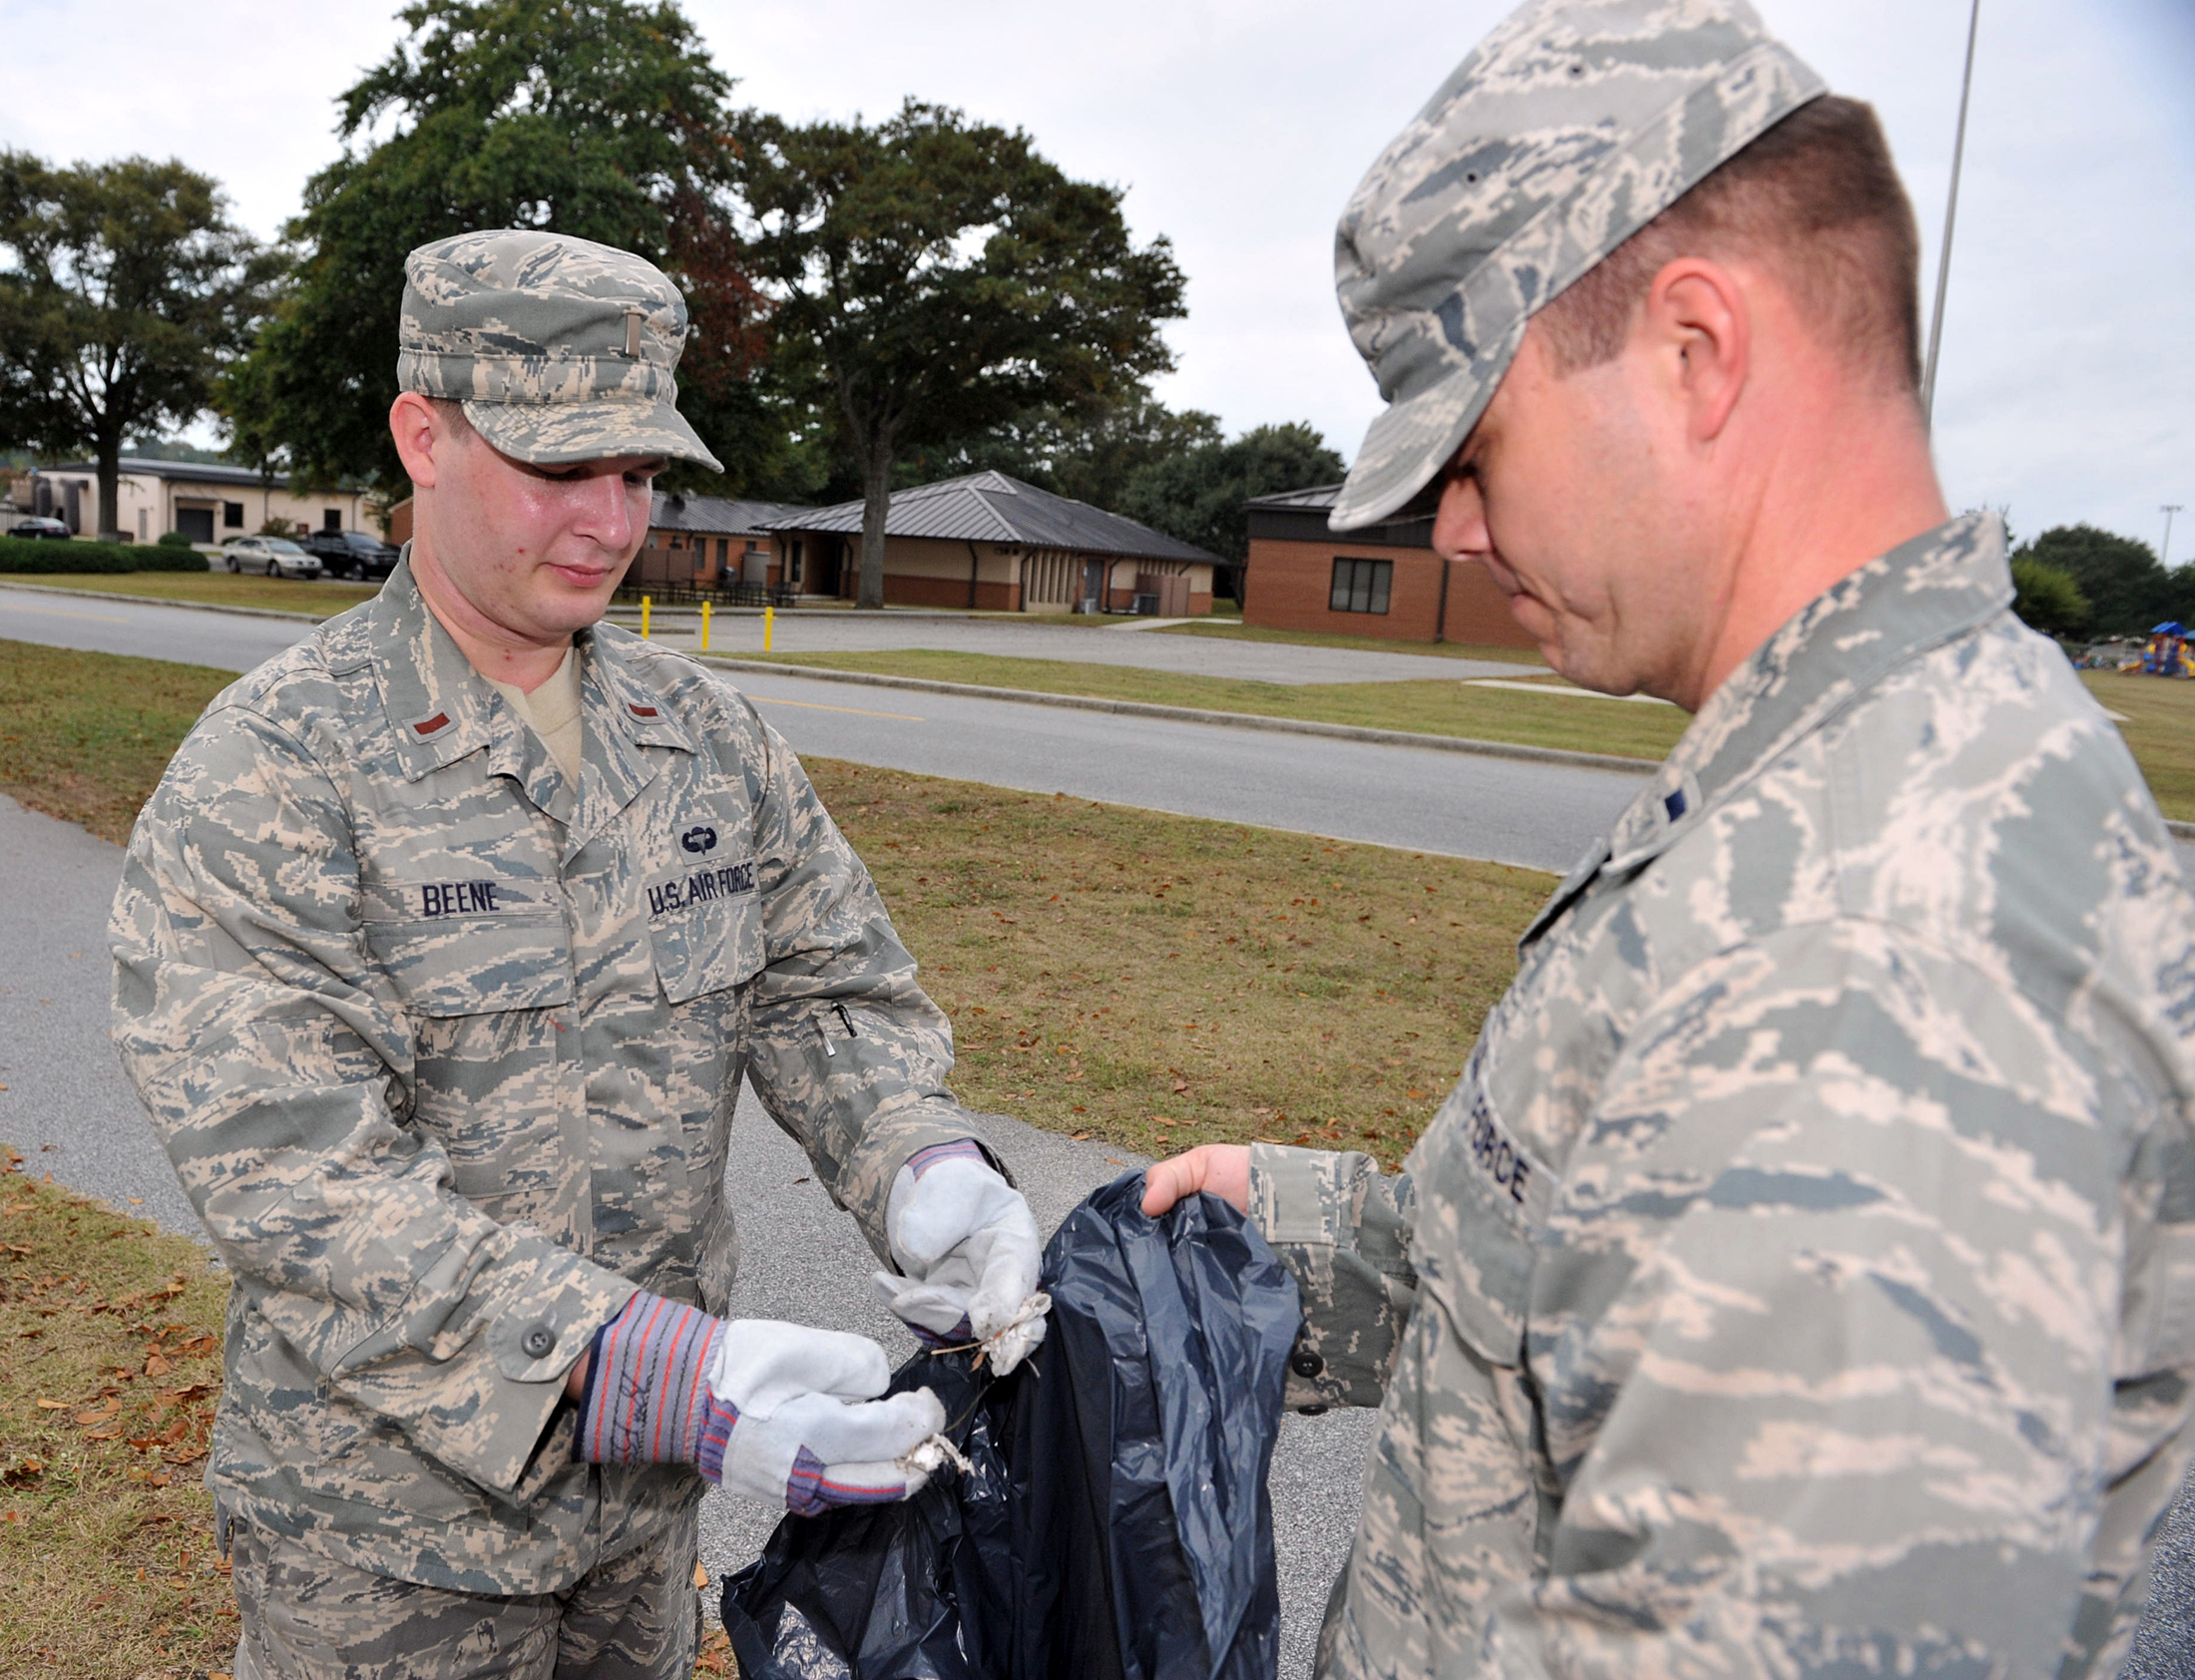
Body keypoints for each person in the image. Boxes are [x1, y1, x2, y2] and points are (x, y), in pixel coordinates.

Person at [1145, 2, 2195, 1674]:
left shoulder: (1884, 947)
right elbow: (1572, 1266)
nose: (1465, 533)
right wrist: (1285, 1224)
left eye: (1473, 455)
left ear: (1697, 351)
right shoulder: (1804, 781)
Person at [109, 228, 1046, 1680]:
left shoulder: (703, 737)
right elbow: (298, 1178)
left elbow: (823, 988)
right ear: (424, 436)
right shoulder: (278, 768)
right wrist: (666, 1374)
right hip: (389, 1539)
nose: (612, 521)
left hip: (636, 1530)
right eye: (561, 468)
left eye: (640, 474)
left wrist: (922, 1168)